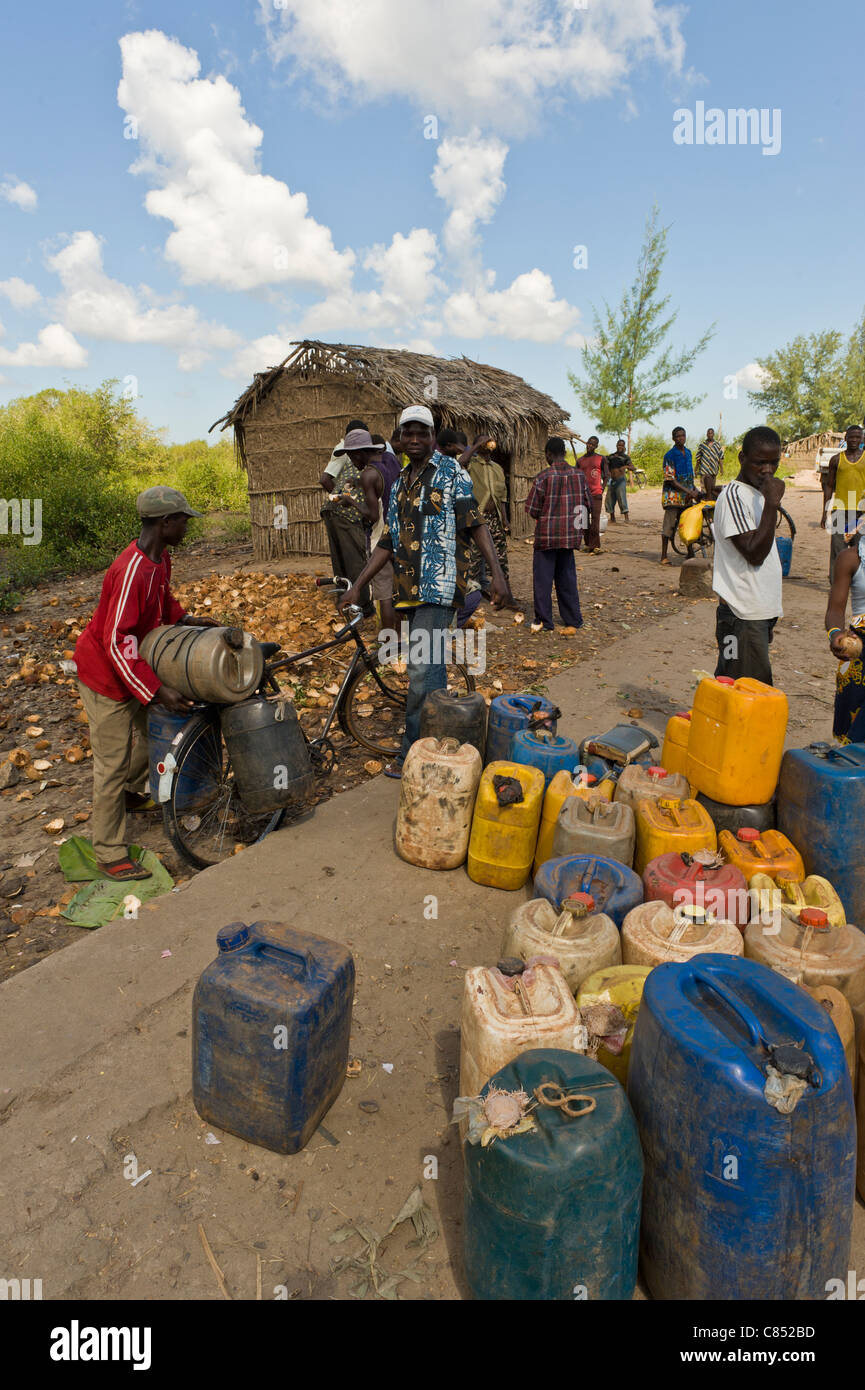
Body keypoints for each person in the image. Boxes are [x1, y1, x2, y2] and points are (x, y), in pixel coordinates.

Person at [338, 405, 508, 778]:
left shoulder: (451, 474)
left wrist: (497, 574)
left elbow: (475, 524)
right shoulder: (400, 484)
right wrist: (359, 586)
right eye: (408, 433)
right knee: (429, 673)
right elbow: (387, 541)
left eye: (422, 432)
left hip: (441, 585)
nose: (414, 439)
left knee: (422, 674)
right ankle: (439, 750)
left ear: (433, 436)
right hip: (409, 589)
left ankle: (414, 756)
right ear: (398, 438)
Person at [74, 487, 219, 882]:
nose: (187, 527)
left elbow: (162, 603)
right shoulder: (130, 569)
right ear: (164, 523)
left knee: (149, 734)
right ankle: (109, 851)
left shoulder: (160, 559)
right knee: (110, 763)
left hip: (133, 667)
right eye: (183, 520)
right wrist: (156, 690)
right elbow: (116, 640)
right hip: (105, 676)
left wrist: (187, 620)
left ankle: (130, 791)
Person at [711, 426, 784, 685]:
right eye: (759, 462)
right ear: (742, 459)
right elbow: (754, 553)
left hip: (756, 614)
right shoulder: (733, 496)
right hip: (742, 616)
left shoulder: (757, 495)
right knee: (746, 693)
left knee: (736, 689)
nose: (767, 470)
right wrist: (773, 505)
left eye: (773, 463)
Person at [525, 437, 588, 631]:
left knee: (543, 581)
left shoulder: (543, 477)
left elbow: (533, 508)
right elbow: (586, 505)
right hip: (569, 537)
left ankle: (545, 621)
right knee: (567, 579)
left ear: (549, 454)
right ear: (565, 453)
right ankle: (573, 619)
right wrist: (579, 531)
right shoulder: (579, 476)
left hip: (546, 537)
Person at [319, 418, 374, 611]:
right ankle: (363, 607)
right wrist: (343, 498)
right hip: (346, 514)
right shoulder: (356, 458)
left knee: (341, 562)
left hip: (331, 511)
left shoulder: (361, 464)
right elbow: (324, 479)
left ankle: (345, 602)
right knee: (355, 561)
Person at [825, 524, 865, 743]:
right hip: (860, 651)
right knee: (854, 738)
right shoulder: (851, 558)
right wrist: (835, 635)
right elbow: (834, 611)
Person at [359, 433, 401, 632]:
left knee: (384, 595)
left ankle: (389, 644)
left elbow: (373, 516)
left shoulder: (369, 473)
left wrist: (350, 502)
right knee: (398, 593)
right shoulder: (393, 465)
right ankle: (402, 641)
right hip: (398, 535)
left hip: (380, 538)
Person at [822, 424, 865, 582]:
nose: (854, 440)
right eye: (851, 437)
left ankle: (857, 582)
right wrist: (824, 512)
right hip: (840, 511)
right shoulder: (836, 460)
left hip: (861, 514)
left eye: (857, 437)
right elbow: (829, 486)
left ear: (861, 438)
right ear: (845, 438)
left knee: (859, 551)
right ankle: (836, 583)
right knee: (838, 551)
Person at [661, 426, 701, 565]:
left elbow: (690, 477)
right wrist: (689, 491)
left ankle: (690, 553)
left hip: (687, 497)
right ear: (673, 438)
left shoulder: (689, 453)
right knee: (669, 525)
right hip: (673, 496)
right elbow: (670, 479)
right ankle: (663, 556)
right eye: (678, 436)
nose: (681, 438)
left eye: (683, 435)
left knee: (687, 524)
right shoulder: (670, 455)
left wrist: (694, 490)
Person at [577, 436, 607, 553]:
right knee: (584, 520)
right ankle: (588, 543)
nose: (590, 446)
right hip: (583, 494)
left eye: (593, 444)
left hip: (596, 494)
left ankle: (595, 546)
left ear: (596, 446)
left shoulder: (601, 458)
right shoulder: (580, 461)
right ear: (586, 443)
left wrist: (602, 488)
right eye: (589, 443)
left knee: (595, 520)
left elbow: (606, 475)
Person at [605, 440, 637, 522]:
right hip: (612, 480)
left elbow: (633, 468)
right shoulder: (611, 456)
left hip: (621, 480)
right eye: (619, 445)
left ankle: (626, 518)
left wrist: (625, 466)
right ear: (616, 445)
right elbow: (605, 463)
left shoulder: (626, 457)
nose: (620, 447)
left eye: (622, 445)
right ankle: (612, 518)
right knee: (609, 499)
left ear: (624, 447)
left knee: (622, 498)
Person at [696, 427, 724, 498]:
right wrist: (695, 469)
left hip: (713, 470)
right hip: (704, 470)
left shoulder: (717, 445)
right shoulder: (702, 445)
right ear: (706, 434)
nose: (710, 434)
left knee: (711, 489)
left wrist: (721, 468)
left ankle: (710, 504)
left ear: (713, 434)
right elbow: (698, 458)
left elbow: (720, 457)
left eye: (711, 433)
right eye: (708, 433)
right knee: (704, 489)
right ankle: (703, 504)